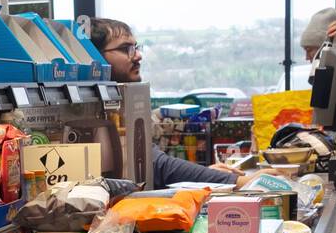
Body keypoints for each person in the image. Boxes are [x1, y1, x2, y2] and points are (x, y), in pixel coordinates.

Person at [89, 17, 240, 188]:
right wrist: (237, 181)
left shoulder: (120, 103)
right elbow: (159, 166)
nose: (138, 56)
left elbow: (153, 165)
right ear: (94, 57)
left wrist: (207, 175)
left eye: (136, 48)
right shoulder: (95, 111)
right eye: (126, 49)